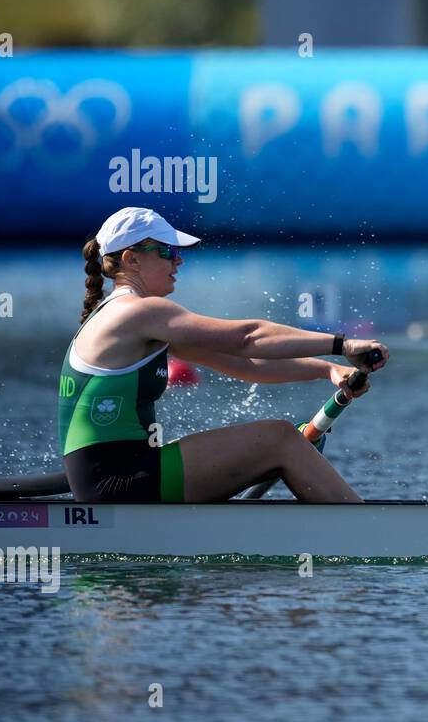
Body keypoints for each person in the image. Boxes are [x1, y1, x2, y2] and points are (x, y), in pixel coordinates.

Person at [60, 207, 387, 503]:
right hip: (119, 480)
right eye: (168, 251)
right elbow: (248, 338)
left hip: (113, 476)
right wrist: (342, 345)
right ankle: (371, 532)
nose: (179, 260)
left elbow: (245, 363)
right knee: (280, 439)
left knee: (278, 438)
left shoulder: (126, 317)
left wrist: (327, 370)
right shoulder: (137, 313)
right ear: (132, 259)